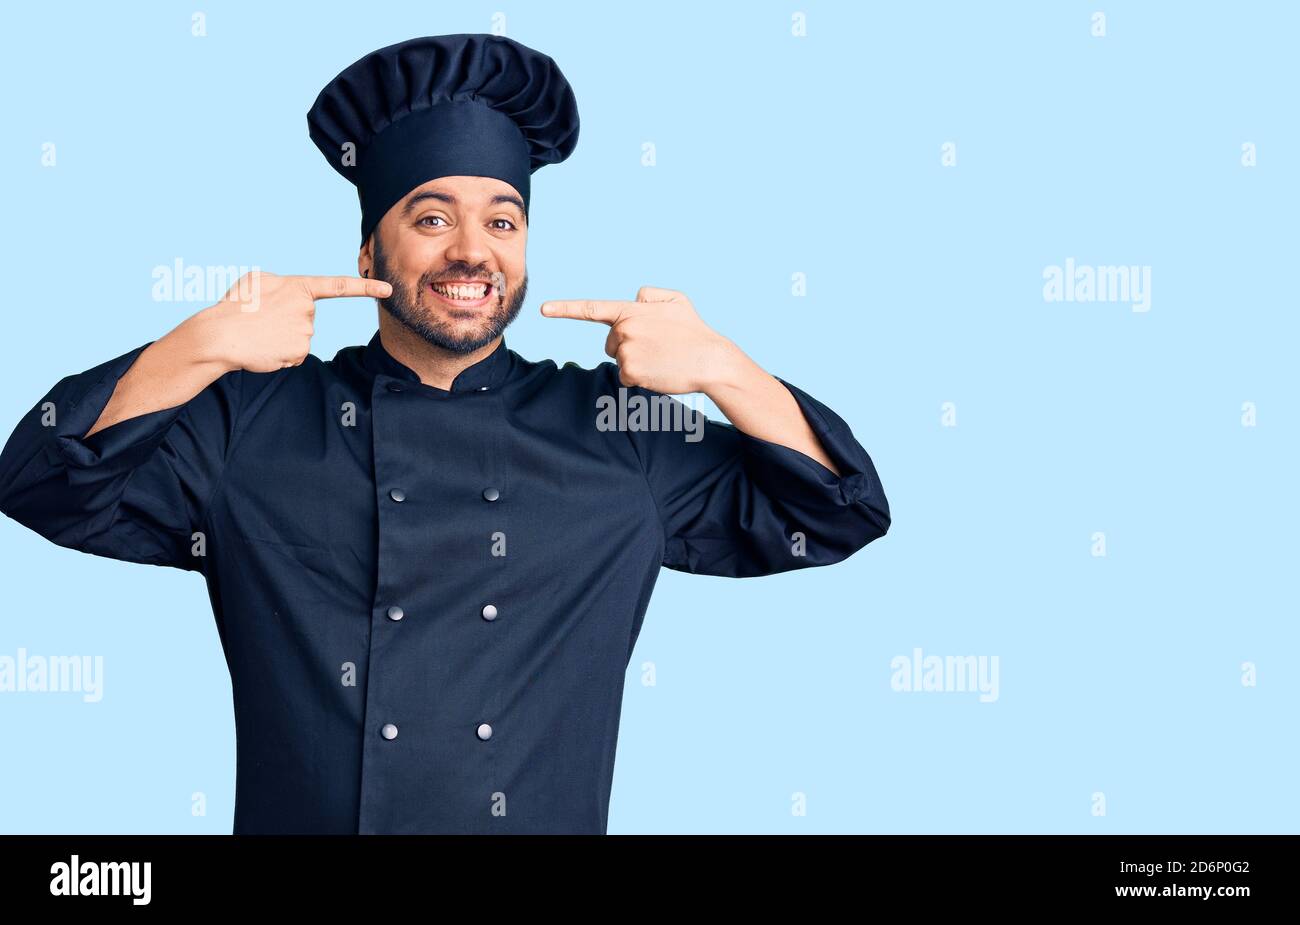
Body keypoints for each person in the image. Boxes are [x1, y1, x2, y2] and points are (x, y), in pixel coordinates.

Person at [0, 34, 890, 834]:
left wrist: (725, 371)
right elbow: (41, 480)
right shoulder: (252, 419)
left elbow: (837, 510)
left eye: (502, 219)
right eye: (431, 217)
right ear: (367, 254)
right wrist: (194, 347)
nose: (472, 250)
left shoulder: (616, 431)